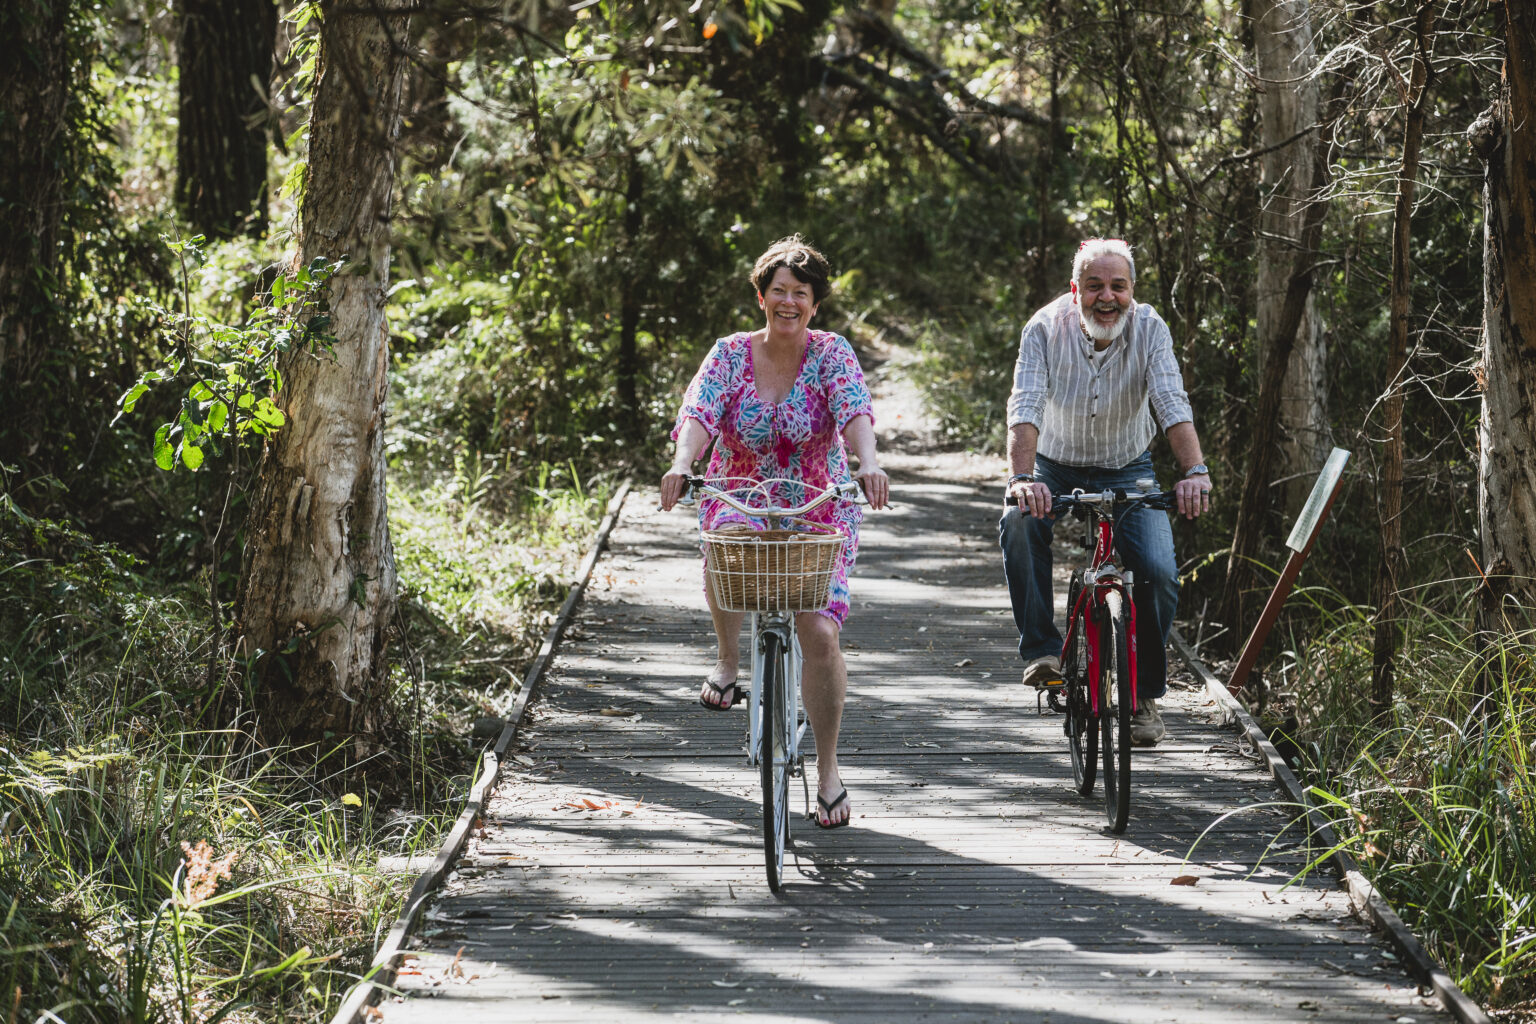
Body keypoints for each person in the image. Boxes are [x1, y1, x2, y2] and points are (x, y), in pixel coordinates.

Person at [659, 235, 890, 828]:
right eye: (779, 291)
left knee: (818, 630)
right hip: (741, 491)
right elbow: (700, 414)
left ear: (815, 304)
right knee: (728, 558)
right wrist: (684, 464)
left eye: (801, 294)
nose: (789, 302)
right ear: (761, 296)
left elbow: (854, 412)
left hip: (818, 499)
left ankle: (829, 768)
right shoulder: (730, 354)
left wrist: (868, 463)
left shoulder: (832, 353)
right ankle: (730, 660)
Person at [999, 238, 1211, 747]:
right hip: (1052, 462)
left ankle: (1142, 697)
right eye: (1094, 286)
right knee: (1017, 523)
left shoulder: (1150, 328)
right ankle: (1043, 653)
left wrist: (1195, 470)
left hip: (1127, 466)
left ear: (1131, 290)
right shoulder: (1044, 329)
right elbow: (1024, 407)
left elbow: (1170, 402)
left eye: (1118, 286)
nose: (1107, 297)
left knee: (1158, 572)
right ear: (1075, 290)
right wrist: (1023, 479)